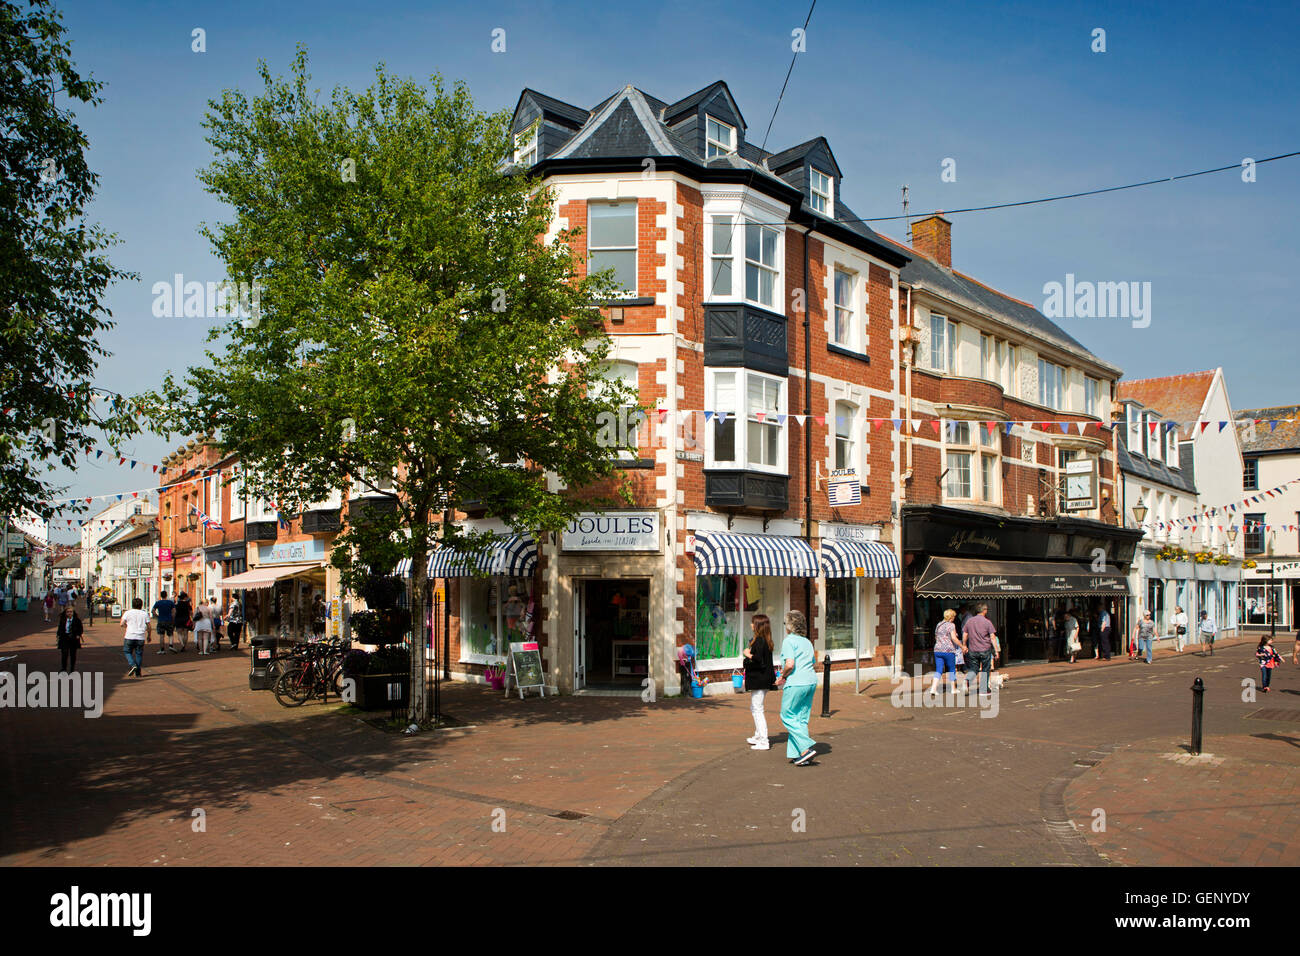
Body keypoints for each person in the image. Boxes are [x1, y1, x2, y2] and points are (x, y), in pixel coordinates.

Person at [775, 610, 818, 766]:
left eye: (785, 623)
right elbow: (813, 663)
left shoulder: (789, 641)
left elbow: (790, 664)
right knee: (800, 718)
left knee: (787, 715)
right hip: (811, 681)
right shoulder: (807, 642)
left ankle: (806, 749)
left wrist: (783, 676)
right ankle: (800, 755)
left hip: (796, 682)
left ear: (790, 625)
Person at [741, 613, 776, 750]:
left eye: (752, 622)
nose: (750, 625)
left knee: (757, 709)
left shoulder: (760, 641)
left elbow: (758, 661)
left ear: (758, 626)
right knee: (755, 707)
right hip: (763, 679)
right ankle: (758, 735)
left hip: (760, 679)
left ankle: (763, 740)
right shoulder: (764, 640)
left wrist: (748, 654)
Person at [962, 604, 999, 695]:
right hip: (985, 649)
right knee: (985, 669)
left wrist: (964, 645)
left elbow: (965, 634)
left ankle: (967, 680)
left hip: (973, 649)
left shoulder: (970, 621)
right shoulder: (987, 622)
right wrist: (996, 650)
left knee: (974, 668)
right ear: (984, 611)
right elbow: (992, 637)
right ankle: (983, 689)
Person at [930, 608, 960, 697]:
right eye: (954, 616)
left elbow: (936, 637)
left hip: (938, 650)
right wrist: (962, 646)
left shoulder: (938, 624)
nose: (954, 618)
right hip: (948, 650)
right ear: (951, 617)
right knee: (952, 669)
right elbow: (954, 638)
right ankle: (953, 689)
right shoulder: (951, 625)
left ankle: (933, 689)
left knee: (939, 670)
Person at [119, 596, 151, 677]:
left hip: (130, 635)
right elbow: (149, 626)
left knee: (127, 651)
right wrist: (149, 636)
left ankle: (133, 665)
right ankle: (138, 672)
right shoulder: (144, 614)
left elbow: (121, 624)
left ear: (132, 605)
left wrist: (127, 626)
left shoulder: (127, 613)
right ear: (141, 605)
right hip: (140, 636)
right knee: (139, 654)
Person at [55, 606, 84, 671]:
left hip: (73, 638)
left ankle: (72, 668)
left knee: (73, 654)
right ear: (65, 613)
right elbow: (60, 628)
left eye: (71, 612)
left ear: (73, 613)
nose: (69, 613)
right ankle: (64, 668)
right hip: (64, 638)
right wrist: (58, 635)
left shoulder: (77, 620)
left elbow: (81, 628)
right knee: (64, 654)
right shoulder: (63, 620)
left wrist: (78, 635)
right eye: (68, 612)